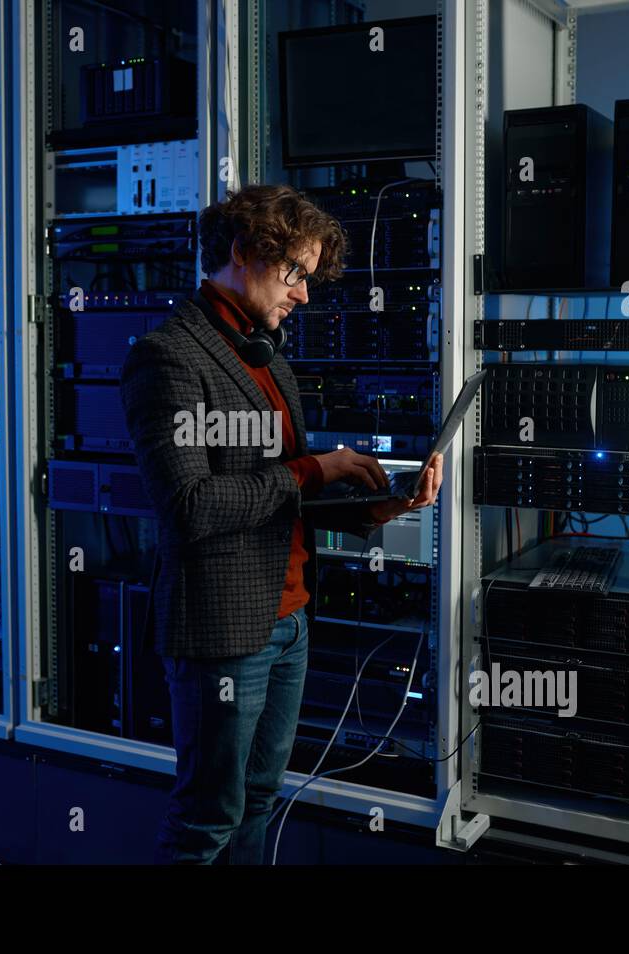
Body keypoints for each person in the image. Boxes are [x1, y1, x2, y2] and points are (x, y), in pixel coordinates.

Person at [119, 183, 443, 864]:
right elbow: (188, 506)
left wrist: (382, 509)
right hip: (225, 632)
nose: (303, 293)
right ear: (243, 253)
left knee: (259, 800)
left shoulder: (268, 356)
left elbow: (289, 498)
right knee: (208, 817)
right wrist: (313, 469)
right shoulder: (168, 356)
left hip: (289, 619)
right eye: (295, 272)